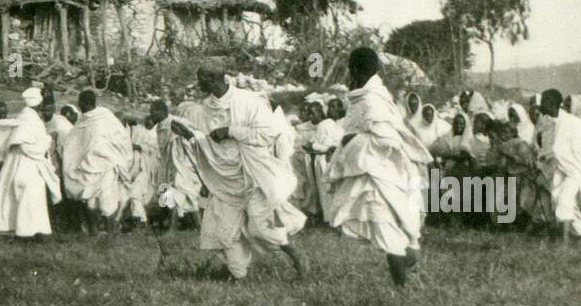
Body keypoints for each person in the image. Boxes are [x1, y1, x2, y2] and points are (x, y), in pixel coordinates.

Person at [177, 58, 308, 281]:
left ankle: (297, 257)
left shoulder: (248, 101)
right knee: (224, 229)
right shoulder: (203, 109)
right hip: (225, 180)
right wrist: (189, 134)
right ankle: (238, 274)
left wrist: (232, 131)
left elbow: (269, 133)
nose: (197, 82)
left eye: (201, 78)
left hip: (254, 174)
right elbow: (204, 140)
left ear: (214, 78)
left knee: (262, 229)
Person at [326, 48, 428, 286]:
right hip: (373, 172)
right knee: (392, 229)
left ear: (357, 70)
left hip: (382, 173)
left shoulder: (373, 100)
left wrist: (352, 142)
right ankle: (407, 278)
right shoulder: (369, 96)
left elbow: (387, 140)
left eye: (352, 70)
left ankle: (404, 286)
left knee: (390, 229)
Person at [0, 88, 62, 239]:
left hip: (22, 163)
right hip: (27, 163)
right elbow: (25, 145)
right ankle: (26, 231)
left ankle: (29, 230)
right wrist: (45, 144)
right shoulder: (28, 120)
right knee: (29, 196)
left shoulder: (27, 118)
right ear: (38, 103)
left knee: (24, 197)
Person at [536, 89, 581, 243]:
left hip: (575, 171)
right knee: (566, 204)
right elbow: (548, 149)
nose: (541, 105)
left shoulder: (571, 123)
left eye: (545, 101)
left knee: (564, 203)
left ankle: (564, 245)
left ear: (553, 103)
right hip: (559, 170)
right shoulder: (548, 123)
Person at [67, 90, 136, 233]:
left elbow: (122, 139)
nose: (80, 106)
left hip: (107, 165)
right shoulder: (83, 120)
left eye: (81, 103)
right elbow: (73, 142)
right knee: (90, 200)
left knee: (107, 200)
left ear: (87, 103)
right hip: (88, 166)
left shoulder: (106, 118)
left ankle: (111, 232)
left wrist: (117, 157)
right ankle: (93, 232)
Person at [149, 98, 203, 229]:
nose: (151, 115)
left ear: (161, 112)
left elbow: (189, 145)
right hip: (170, 166)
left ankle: (172, 230)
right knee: (177, 197)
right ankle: (198, 228)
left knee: (180, 195)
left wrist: (184, 168)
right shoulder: (160, 127)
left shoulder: (176, 125)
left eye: (153, 112)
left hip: (182, 167)